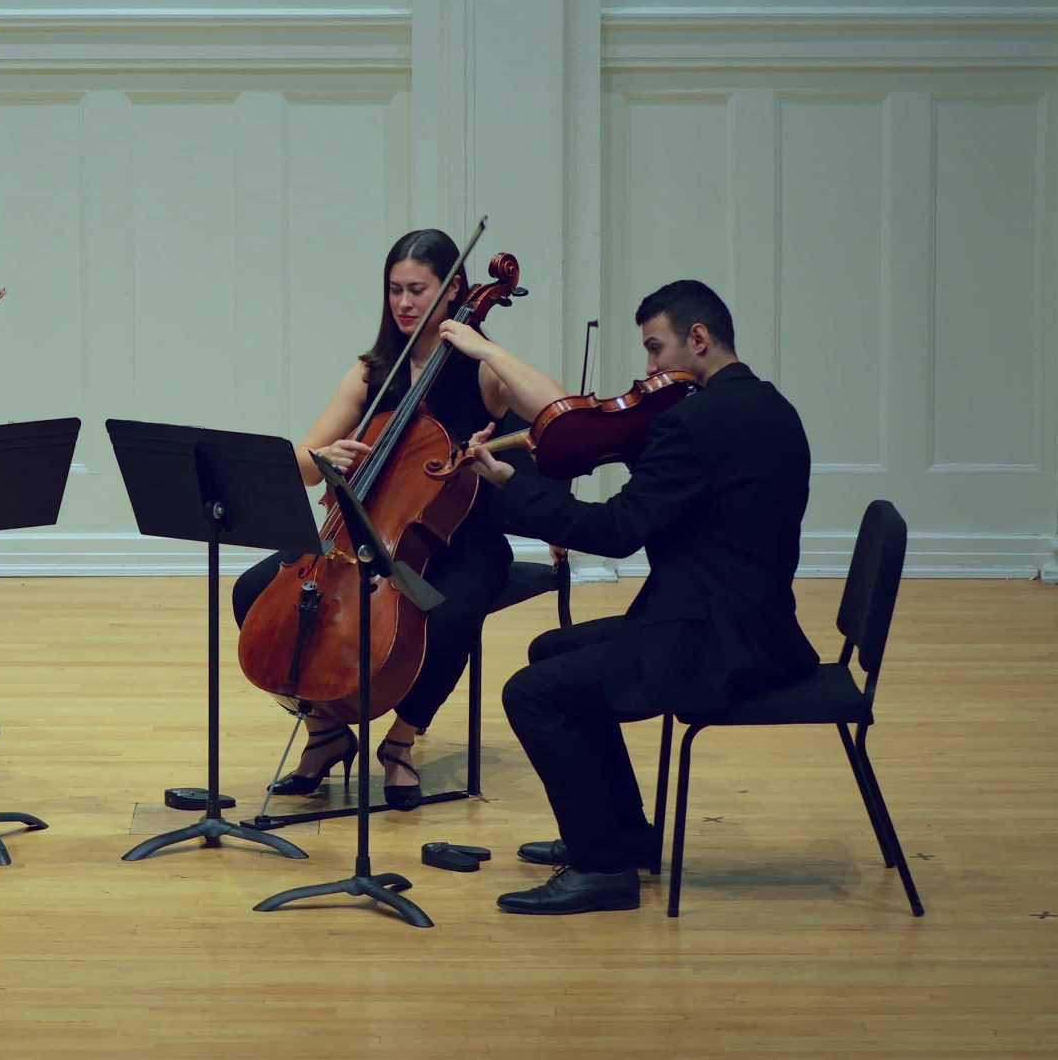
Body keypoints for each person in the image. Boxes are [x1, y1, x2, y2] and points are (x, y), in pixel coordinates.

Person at [454, 278, 821, 914]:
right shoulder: (768, 406)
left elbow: (618, 531)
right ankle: (620, 833)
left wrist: (512, 483)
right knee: (550, 650)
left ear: (698, 339)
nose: (649, 369)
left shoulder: (697, 423)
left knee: (531, 694)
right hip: (754, 620)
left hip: (715, 639)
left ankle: (601, 870)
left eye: (657, 349)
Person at [232, 229, 567, 806]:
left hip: (461, 537)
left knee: (448, 613)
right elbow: (304, 464)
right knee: (254, 591)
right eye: (395, 291)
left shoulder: (479, 373)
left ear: (454, 289)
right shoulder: (373, 371)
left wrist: (485, 346)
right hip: (366, 530)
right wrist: (323, 455)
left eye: (418, 290)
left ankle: (402, 742)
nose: (405, 303)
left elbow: (557, 409)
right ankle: (326, 733)